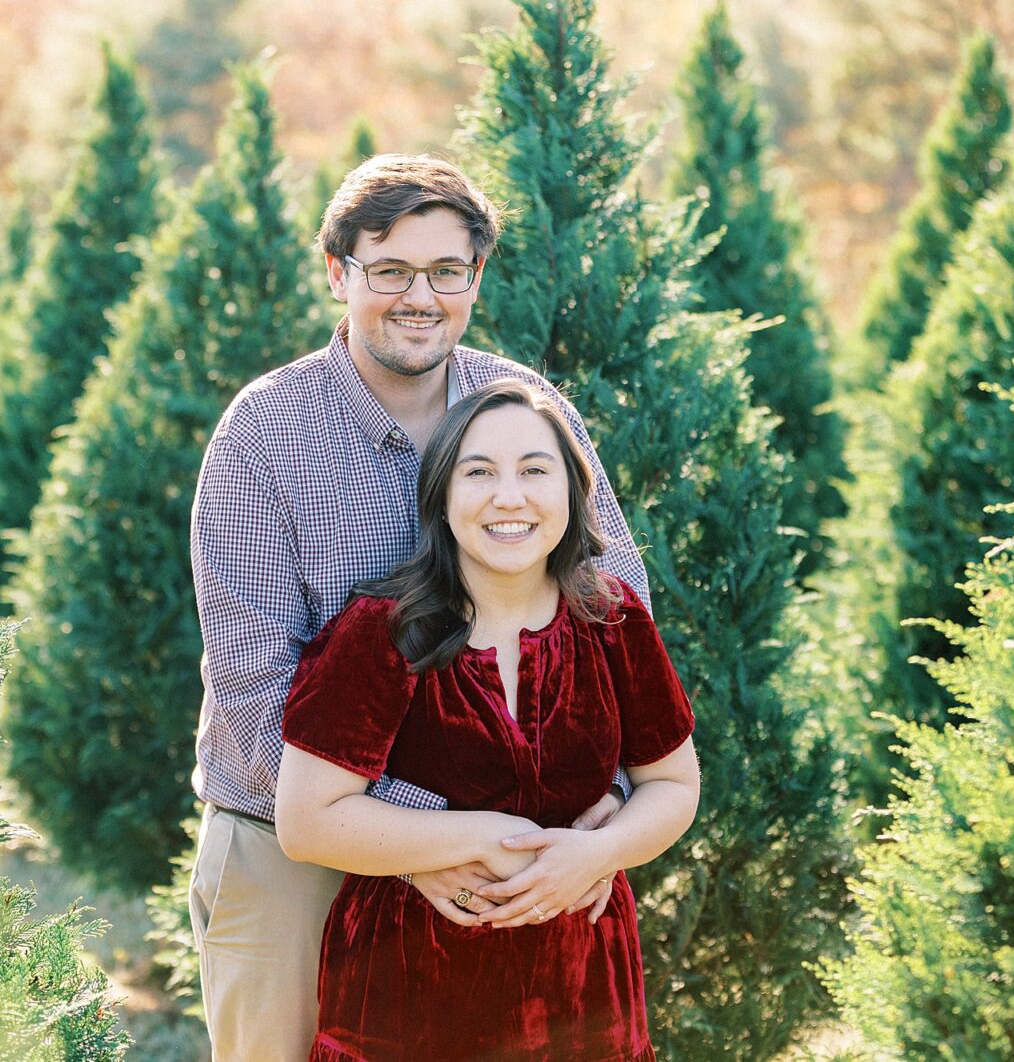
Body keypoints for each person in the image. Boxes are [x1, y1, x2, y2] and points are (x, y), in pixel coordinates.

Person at [188, 154, 649, 1060]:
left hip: (517, 854)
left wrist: (608, 805)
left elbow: (613, 603)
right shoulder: (263, 436)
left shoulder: (524, 407)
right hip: (298, 859)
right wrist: (420, 834)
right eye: (389, 270)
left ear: (475, 277)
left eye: (447, 271)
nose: (420, 297)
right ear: (338, 274)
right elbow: (252, 693)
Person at [276, 379, 701, 1061]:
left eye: (536, 470)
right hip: (408, 999)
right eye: (479, 473)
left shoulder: (612, 618)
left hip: (584, 996)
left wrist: (602, 852)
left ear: (572, 492)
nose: (510, 496)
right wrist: (480, 836)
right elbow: (307, 820)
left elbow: (675, 785)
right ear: (443, 498)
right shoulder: (384, 632)